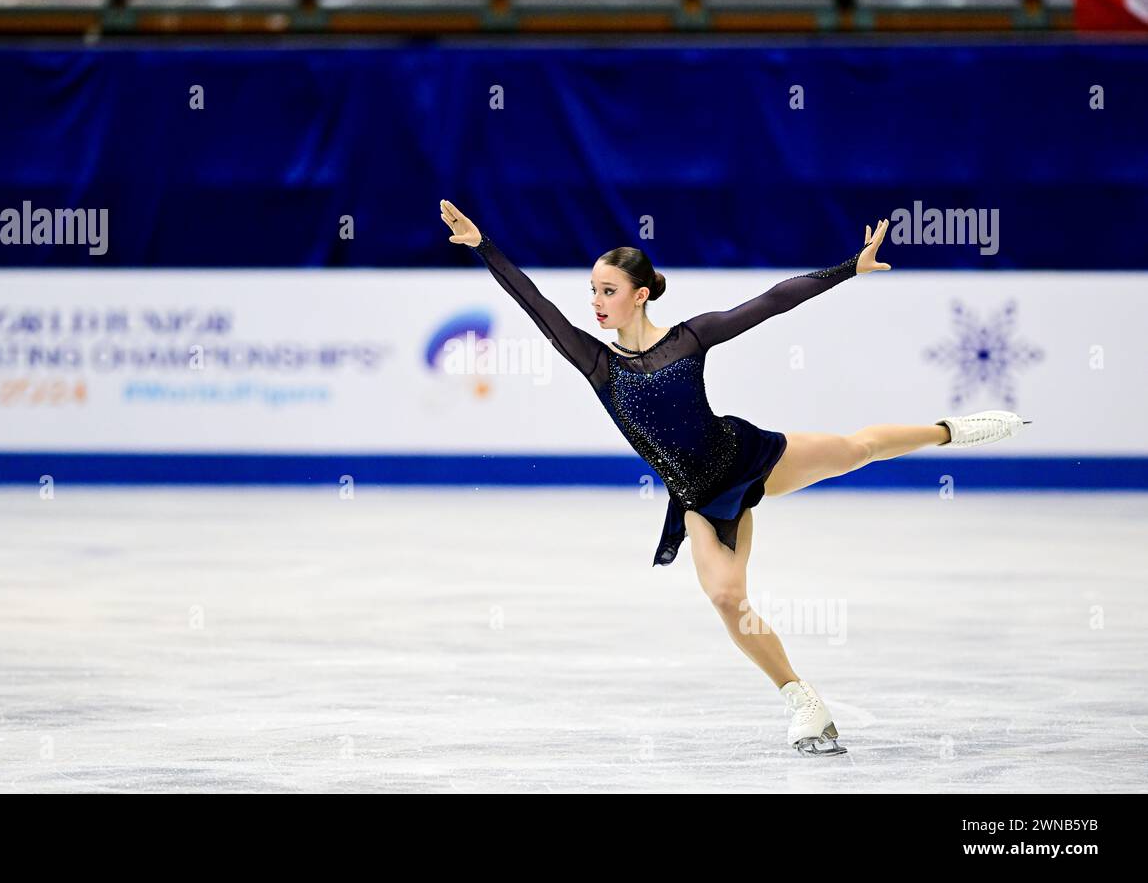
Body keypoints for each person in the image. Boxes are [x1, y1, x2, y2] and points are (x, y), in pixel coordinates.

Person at [439, 198, 1030, 756]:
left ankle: (952, 430)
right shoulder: (596, 363)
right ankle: (805, 701)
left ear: (640, 295)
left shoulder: (688, 340)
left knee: (858, 447)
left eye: (609, 291)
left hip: (743, 454)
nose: (596, 301)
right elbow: (535, 305)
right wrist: (484, 245)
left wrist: (850, 268)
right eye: (592, 291)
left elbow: (770, 302)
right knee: (726, 597)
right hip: (700, 495)